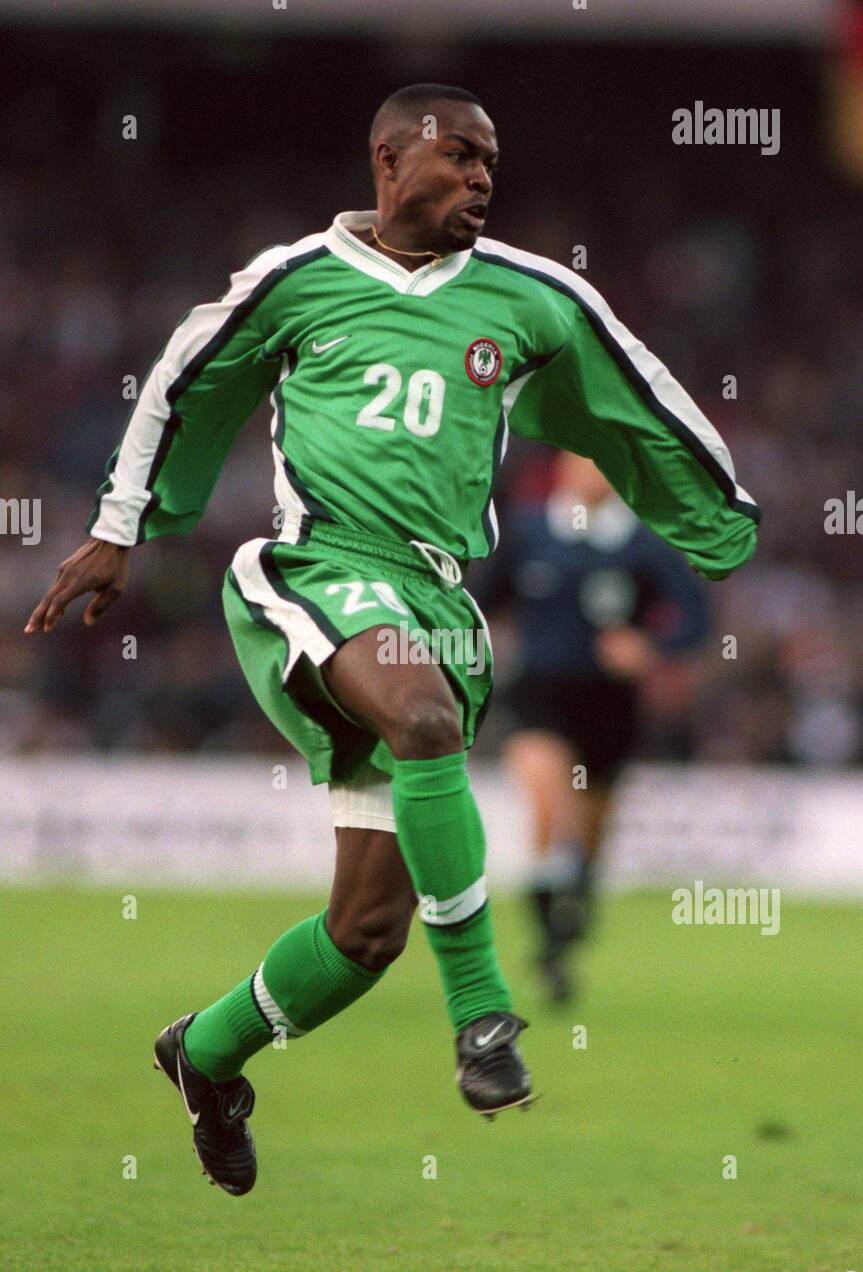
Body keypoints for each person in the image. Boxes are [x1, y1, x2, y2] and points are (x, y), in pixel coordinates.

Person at [25, 84, 759, 1196]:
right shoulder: (293, 281)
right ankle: (481, 1020)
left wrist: (717, 523)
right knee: (418, 717)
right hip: (312, 571)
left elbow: (638, 398)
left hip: (434, 602)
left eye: (490, 166)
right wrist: (118, 529)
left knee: (366, 929)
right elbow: (183, 377)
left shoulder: (531, 297)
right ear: (387, 156)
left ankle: (207, 1056)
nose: (479, 180)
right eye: (459, 156)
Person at [481, 451, 711, 1001]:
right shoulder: (528, 531)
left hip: (610, 712)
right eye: (585, 460)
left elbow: (696, 619)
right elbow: (478, 601)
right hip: (538, 700)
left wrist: (651, 648)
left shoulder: (642, 545)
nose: (595, 471)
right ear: (562, 468)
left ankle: (562, 933)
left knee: (587, 837)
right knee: (548, 809)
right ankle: (549, 938)